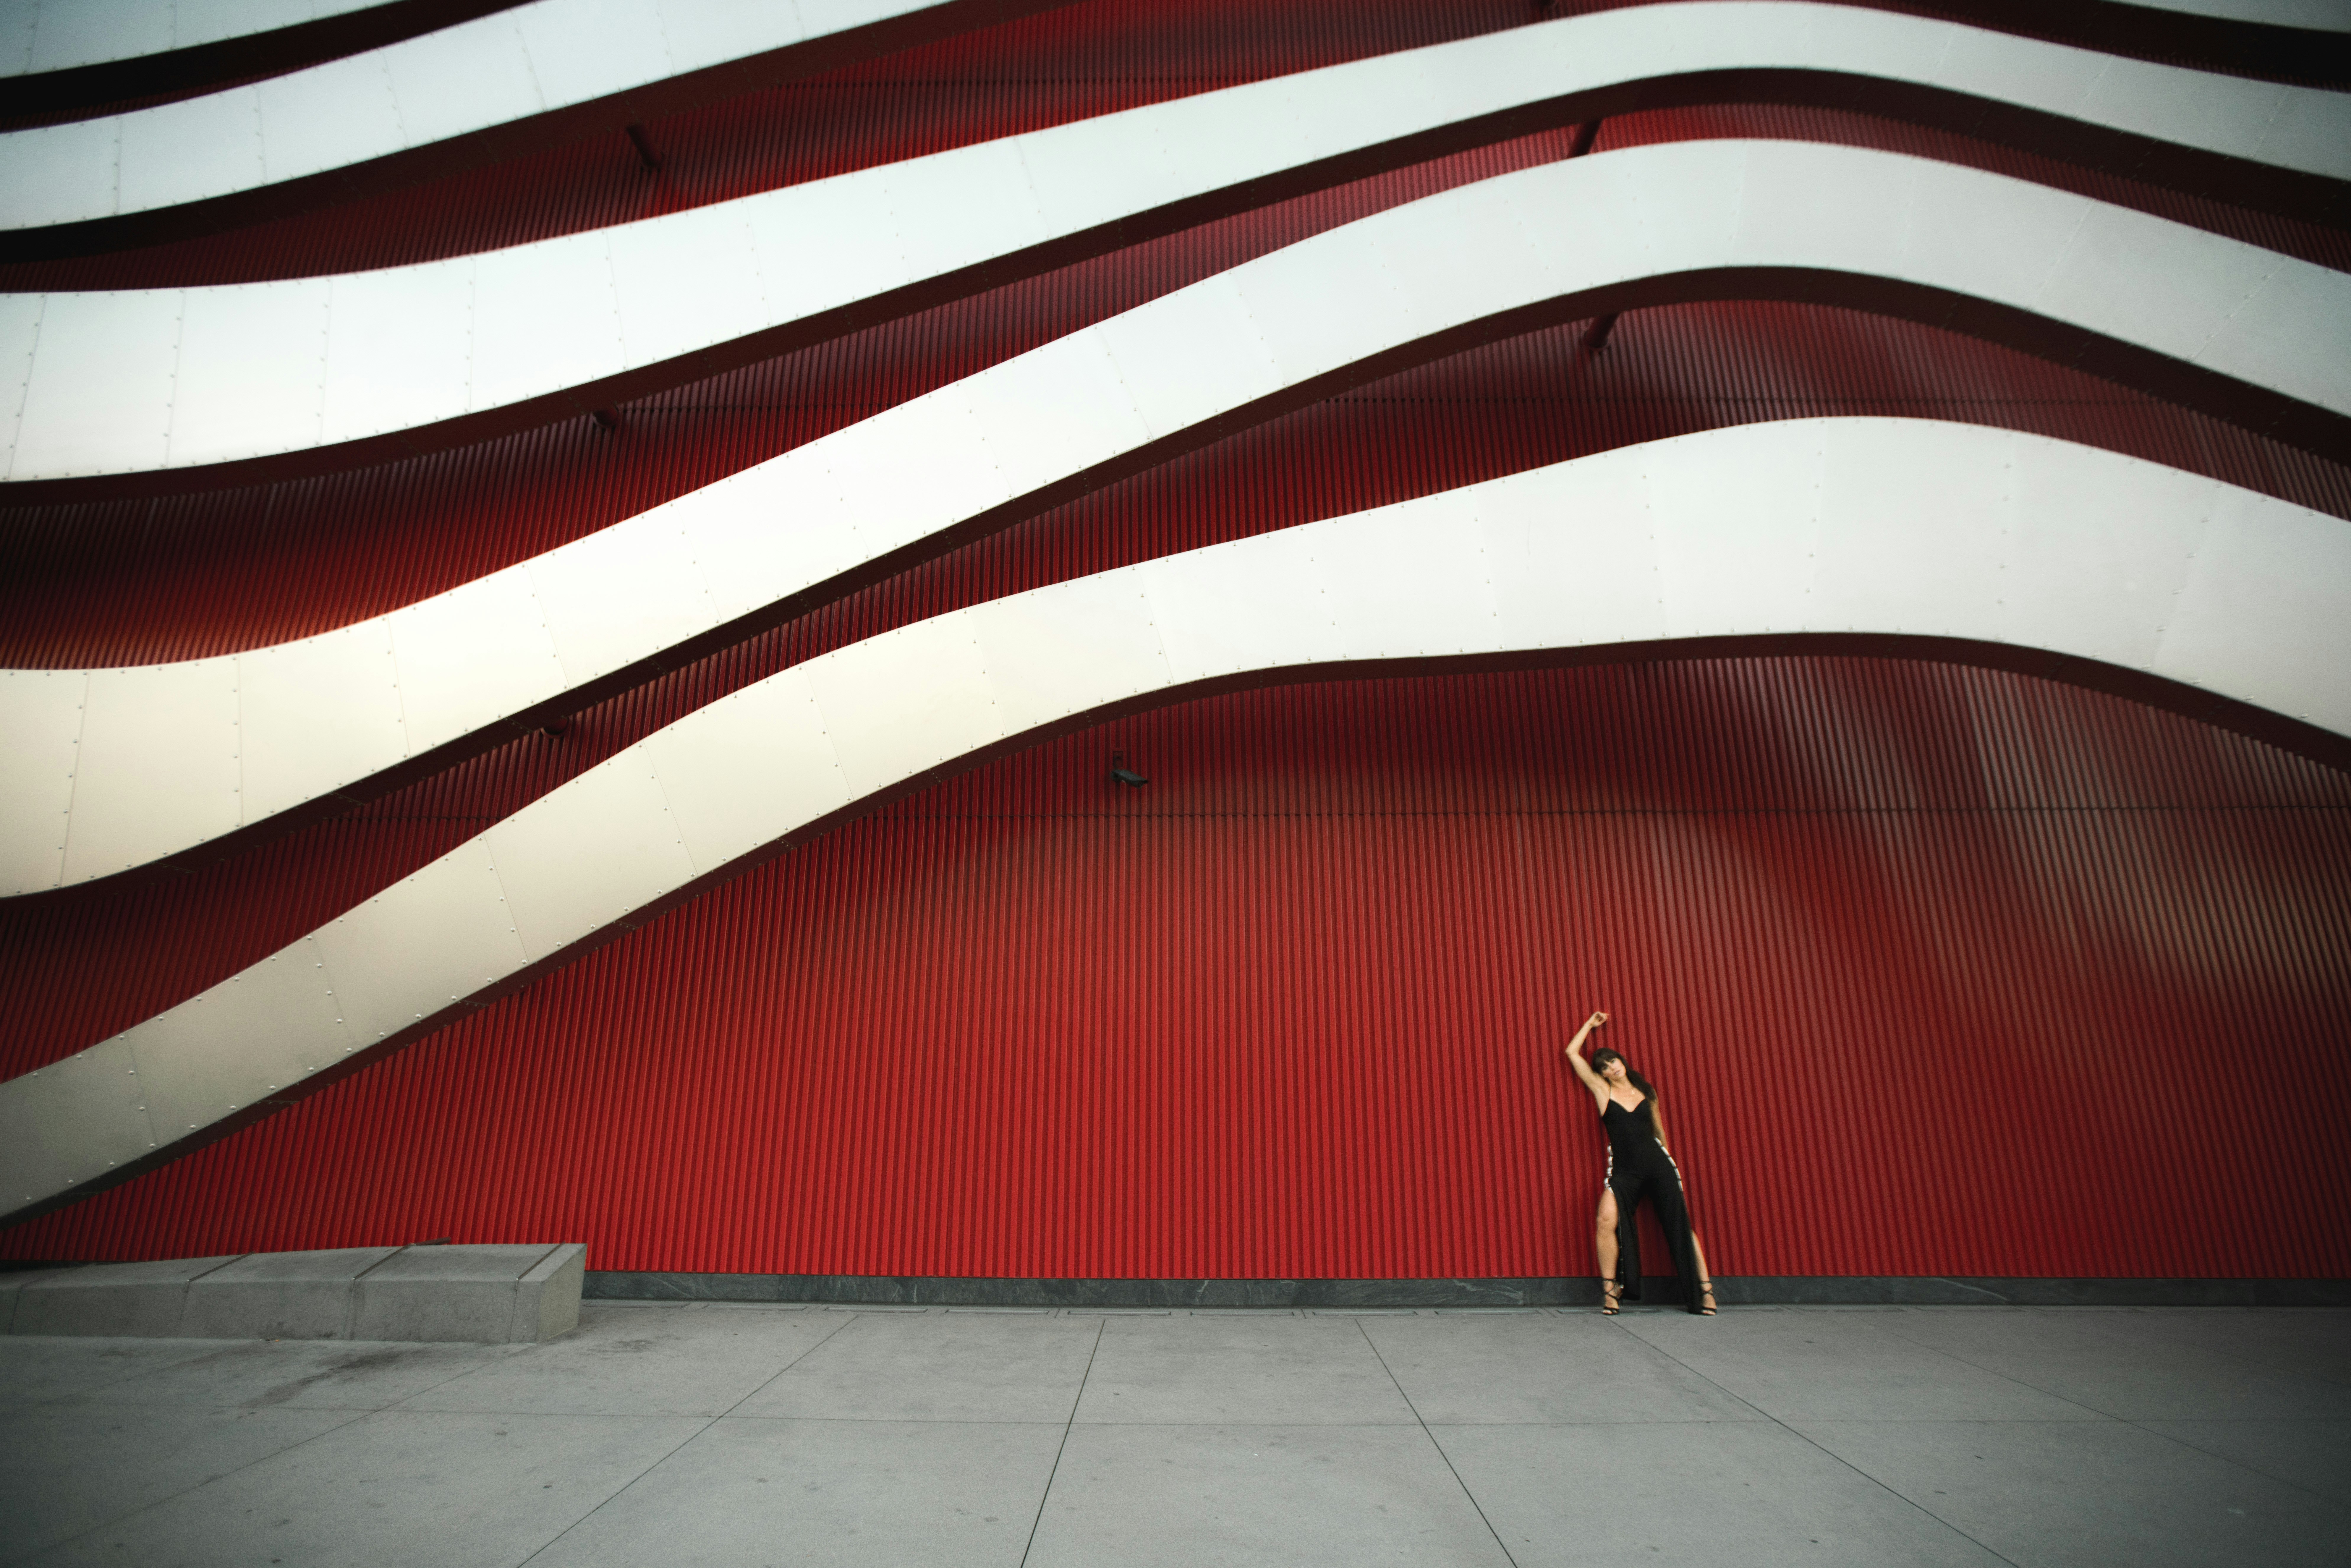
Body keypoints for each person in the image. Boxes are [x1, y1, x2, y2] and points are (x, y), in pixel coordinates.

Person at [1562, 1011, 1716, 1315]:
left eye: (1613, 1061)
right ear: (1602, 1074)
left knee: (1681, 1227)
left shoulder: (1647, 1092)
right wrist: (1588, 1026)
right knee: (1605, 1220)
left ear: (1622, 1061)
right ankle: (1610, 1291)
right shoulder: (1601, 1090)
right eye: (1604, 1066)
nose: (1611, 1068)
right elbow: (1570, 1053)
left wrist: (1670, 1166)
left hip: (1659, 1167)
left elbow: (1659, 1131)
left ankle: (1704, 1291)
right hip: (1624, 1171)